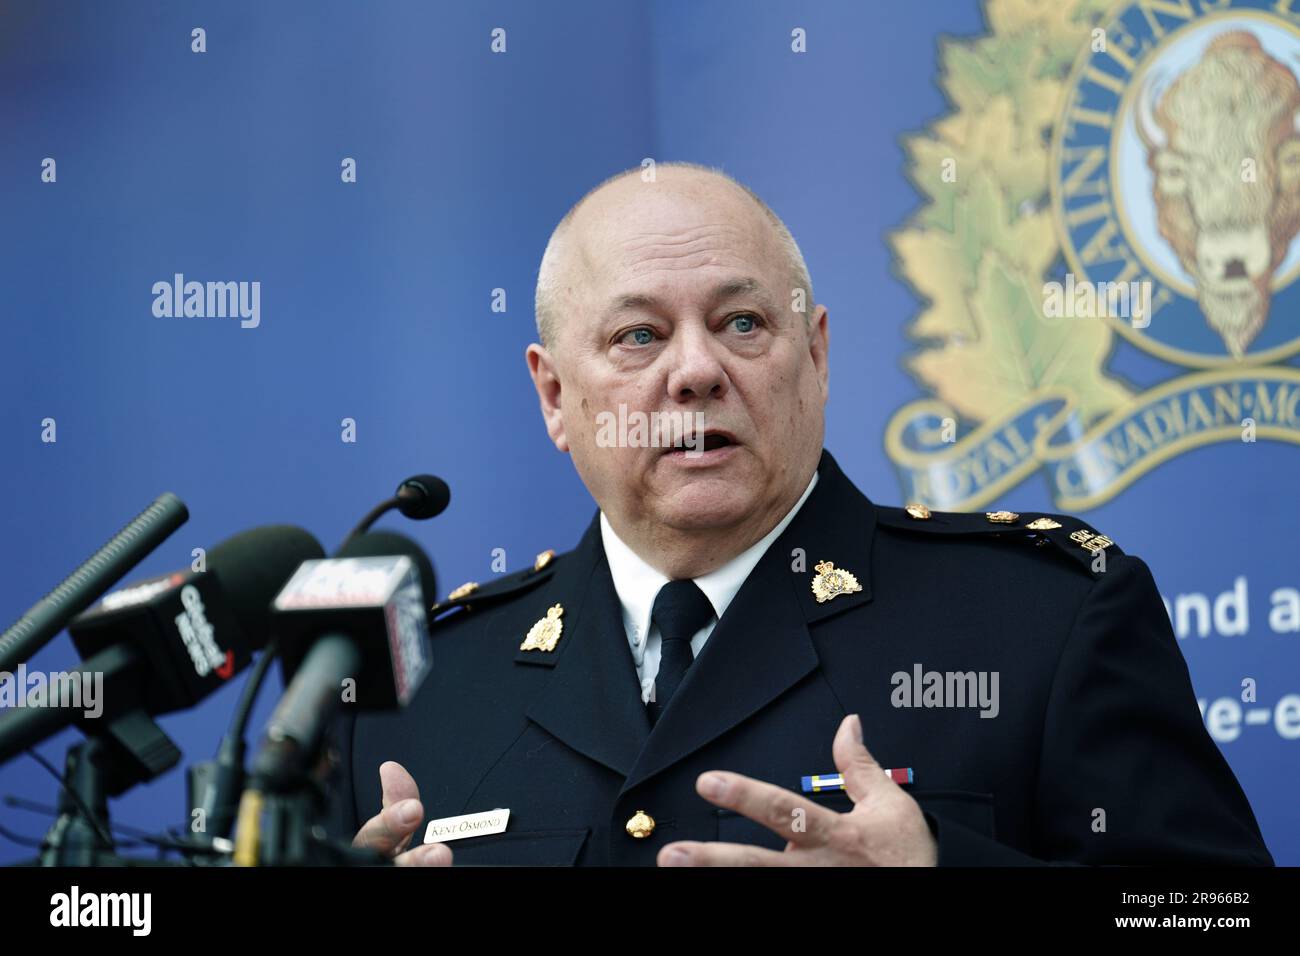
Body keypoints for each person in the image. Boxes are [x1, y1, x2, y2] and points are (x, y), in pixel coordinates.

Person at [328, 162, 1273, 866]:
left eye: (743, 324)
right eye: (638, 335)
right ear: (553, 396)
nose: (696, 370)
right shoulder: (418, 691)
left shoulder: (1045, 621)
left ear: (815, 356)